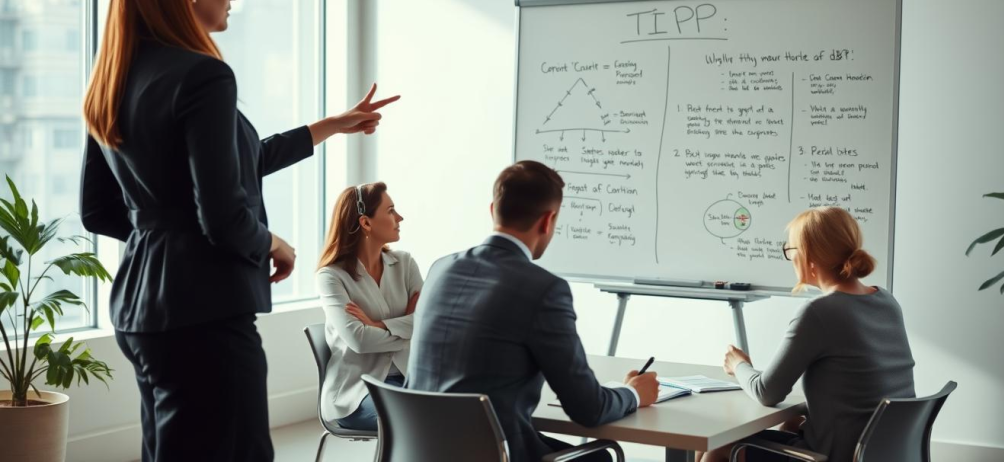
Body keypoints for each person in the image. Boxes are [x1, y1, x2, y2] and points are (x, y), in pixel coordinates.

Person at [79, 0, 398, 462]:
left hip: (140, 310)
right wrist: (272, 242)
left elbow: (98, 211)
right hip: (205, 314)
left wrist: (328, 126)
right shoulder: (204, 75)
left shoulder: (113, 78)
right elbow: (224, 215)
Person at [407, 160, 660, 462]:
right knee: (601, 457)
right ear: (548, 220)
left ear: (493, 210)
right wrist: (633, 393)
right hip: (494, 453)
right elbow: (588, 409)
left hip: (420, 449)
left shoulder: (440, 269)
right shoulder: (543, 289)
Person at [701, 207, 915, 462]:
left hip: (838, 455)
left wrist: (739, 365)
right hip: (883, 453)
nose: (790, 257)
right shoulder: (887, 301)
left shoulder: (820, 312)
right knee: (791, 424)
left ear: (809, 256)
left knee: (716, 449)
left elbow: (767, 392)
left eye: (791, 249)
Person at [316, 182, 423, 430]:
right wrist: (408, 328)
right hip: (358, 392)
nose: (400, 217)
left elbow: (428, 324)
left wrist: (377, 325)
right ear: (365, 222)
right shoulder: (331, 276)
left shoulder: (405, 263)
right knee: (417, 422)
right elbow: (360, 341)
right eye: (391, 211)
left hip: (410, 380)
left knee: (461, 413)